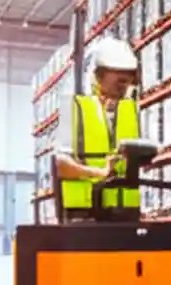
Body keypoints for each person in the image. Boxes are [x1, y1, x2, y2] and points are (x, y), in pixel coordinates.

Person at [54, 38, 143, 223]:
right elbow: (60, 165)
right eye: (119, 82)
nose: (124, 89)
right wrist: (99, 172)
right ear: (98, 77)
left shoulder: (131, 110)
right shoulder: (74, 108)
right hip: (83, 214)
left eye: (127, 83)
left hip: (125, 215)